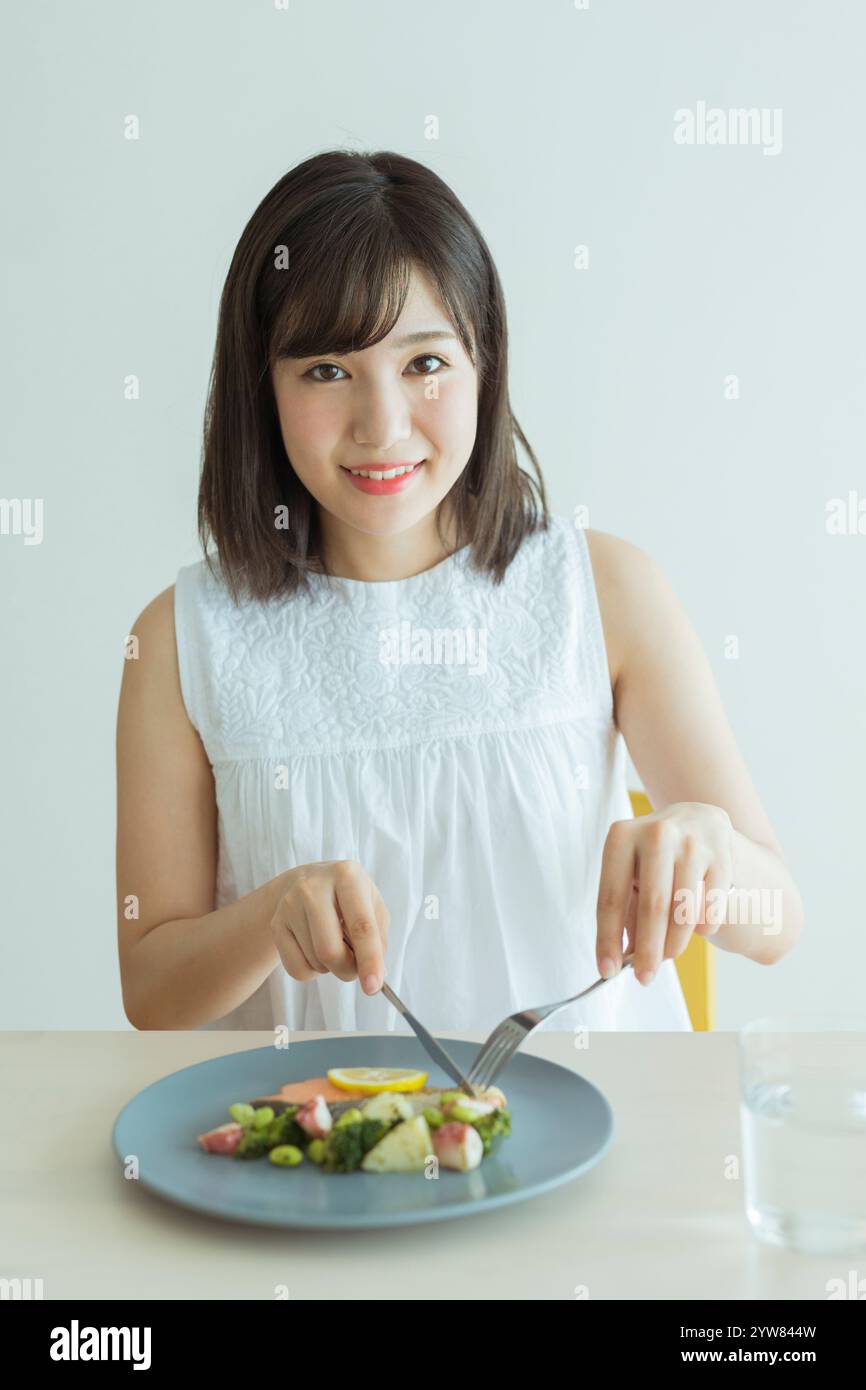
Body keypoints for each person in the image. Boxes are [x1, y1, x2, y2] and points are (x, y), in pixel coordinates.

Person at [115, 149, 804, 1033]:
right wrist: (268, 914)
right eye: (327, 370)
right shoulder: (180, 640)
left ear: (484, 361)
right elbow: (152, 991)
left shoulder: (606, 591)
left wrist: (714, 853)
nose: (383, 425)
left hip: (601, 1148)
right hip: (320, 1160)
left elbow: (778, 921)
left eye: (425, 363)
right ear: (264, 390)